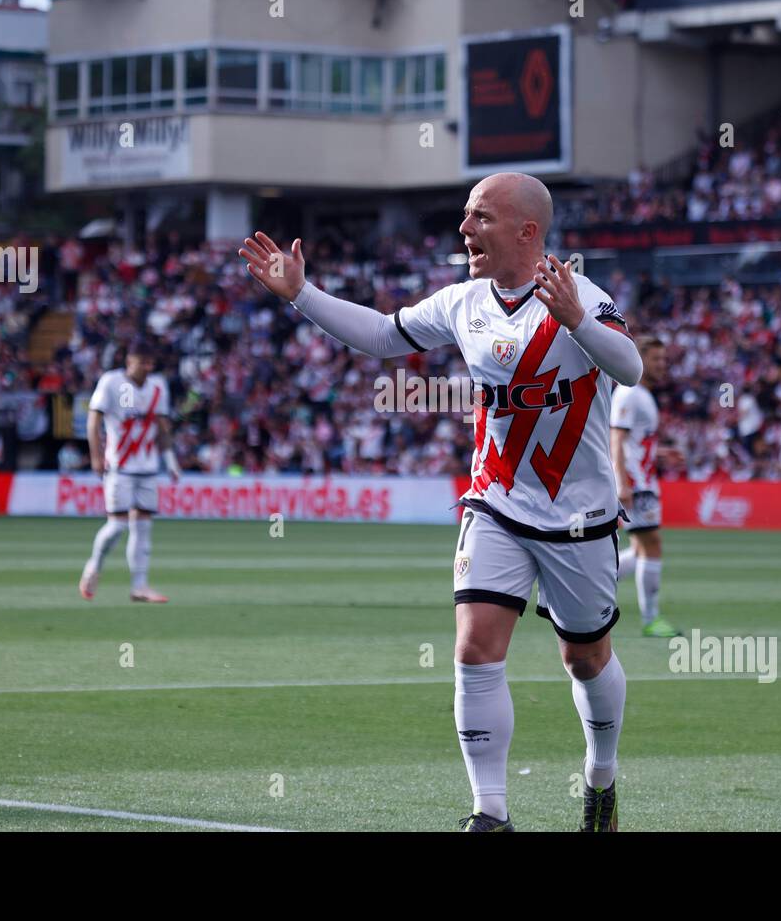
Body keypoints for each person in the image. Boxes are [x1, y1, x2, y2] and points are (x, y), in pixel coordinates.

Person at [239, 171, 643, 832]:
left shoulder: (580, 298)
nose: (464, 230)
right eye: (465, 216)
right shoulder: (464, 302)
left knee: (585, 658)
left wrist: (577, 322)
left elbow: (629, 368)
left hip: (578, 520)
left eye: (480, 217)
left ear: (527, 231)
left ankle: (601, 774)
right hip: (495, 505)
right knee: (475, 648)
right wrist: (302, 294)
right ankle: (490, 812)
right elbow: (381, 335)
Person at [79, 339, 179, 604]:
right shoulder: (111, 382)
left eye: (150, 363)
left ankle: (140, 587)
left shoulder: (158, 385)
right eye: (142, 362)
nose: (147, 368)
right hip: (119, 467)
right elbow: (94, 420)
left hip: (147, 468)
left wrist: (169, 460)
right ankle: (94, 567)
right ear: (129, 361)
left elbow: (161, 425)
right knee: (117, 525)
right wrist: (96, 455)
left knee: (144, 527)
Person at [610, 335, 681, 637]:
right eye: (655, 359)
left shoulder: (644, 395)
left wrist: (662, 453)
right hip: (636, 484)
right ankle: (651, 619)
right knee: (651, 544)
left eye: (664, 359)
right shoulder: (629, 393)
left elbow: (635, 441)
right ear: (640, 360)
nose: (662, 364)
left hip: (644, 480)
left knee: (642, 549)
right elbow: (616, 438)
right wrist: (622, 483)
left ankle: (587, 582)